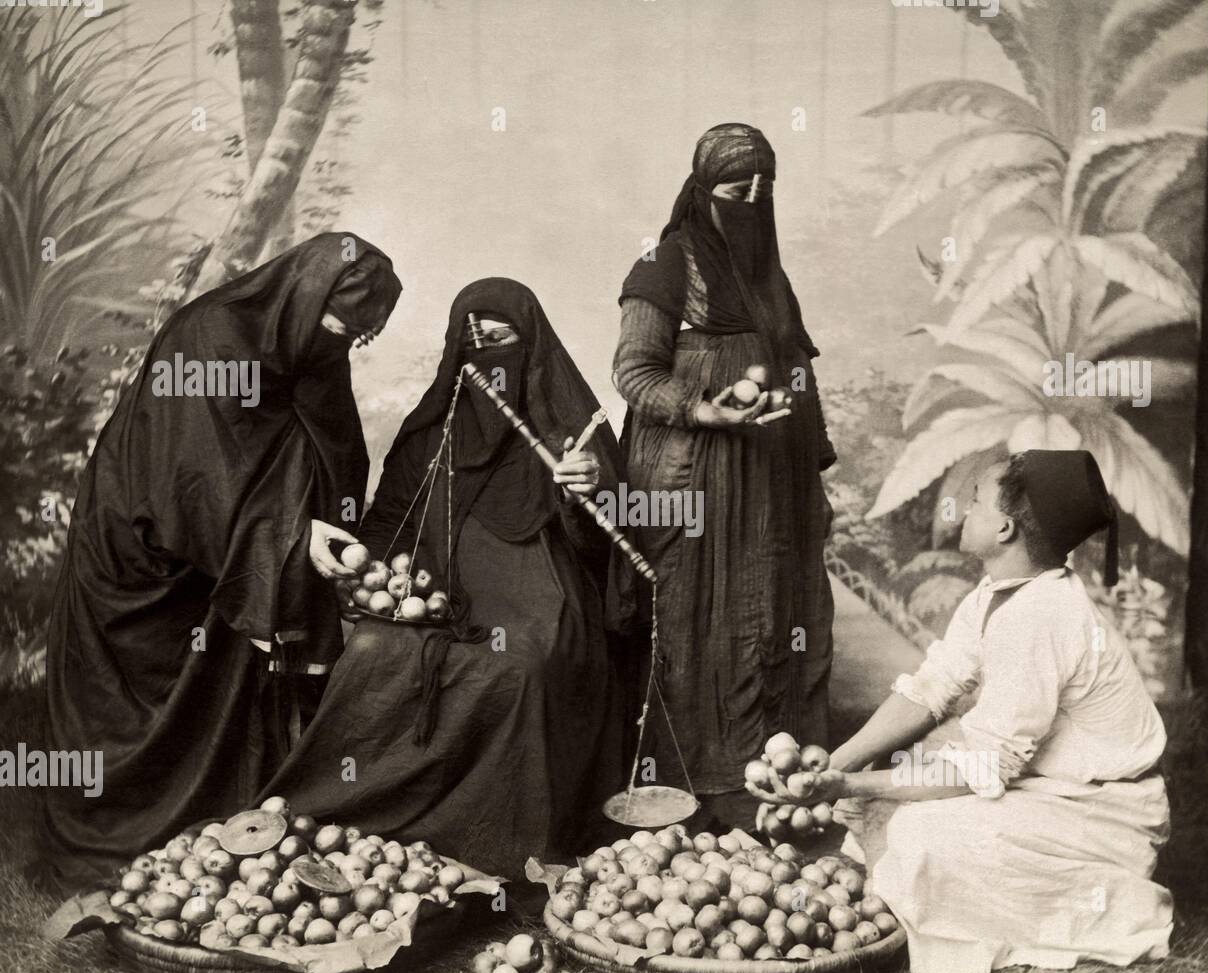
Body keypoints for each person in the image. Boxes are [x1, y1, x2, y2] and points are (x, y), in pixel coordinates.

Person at [40, 233, 402, 890]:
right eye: (337, 324)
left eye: (356, 336)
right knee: (158, 689)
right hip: (151, 547)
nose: (339, 344)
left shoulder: (313, 350)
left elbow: (333, 447)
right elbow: (193, 480)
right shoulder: (208, 337)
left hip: (236, 556)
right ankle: (136, 834)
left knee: (235, 677)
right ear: (303, 292)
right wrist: (290, 543)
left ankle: (233, 824)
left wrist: (331, 528)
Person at [259, 278, 633, 879]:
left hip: (540, 595)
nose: (483, 349)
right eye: (470, 337)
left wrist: (583, 494)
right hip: (435, 591)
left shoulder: (570, 427)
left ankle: (499, 843)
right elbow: (388, 518)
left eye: (499, 337)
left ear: (531, 343)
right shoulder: (432, 428)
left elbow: (608, 545)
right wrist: (363, 573)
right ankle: (362, 819)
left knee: (521, 668)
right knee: (375, 652)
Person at [749, 450, 1174, 973]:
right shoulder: (997, 594)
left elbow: (986, 766)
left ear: (1004, 527)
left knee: (914, 831)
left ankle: (1110, 895)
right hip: (1049, 790)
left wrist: (850, 784)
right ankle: (917, 893)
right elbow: (934, 688)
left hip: (1101, 812)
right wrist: (834, 764)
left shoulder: (1041, 616)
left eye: (974, 501)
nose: (962, 511)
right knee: (880, 807)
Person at [613, 122, 836, 826]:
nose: (755, 198)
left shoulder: (772, 279)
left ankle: (763, 779)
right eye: (739, 188)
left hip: (768, 477)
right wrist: (704, 410)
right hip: (690, 479)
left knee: (768, 611)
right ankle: (686, 788)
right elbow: (633, 372)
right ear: (704, 192)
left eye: (766, 188)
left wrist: (812, 461)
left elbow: (798, 367)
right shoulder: (665, 264)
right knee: (691, 620)